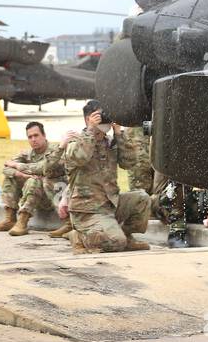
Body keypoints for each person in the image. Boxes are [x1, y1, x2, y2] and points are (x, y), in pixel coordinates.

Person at [62, 101, 151, 253]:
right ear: (87, 119)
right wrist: (90, 129)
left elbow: (130, 162)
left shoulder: (110, 142)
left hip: (110, 204)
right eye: (99, 116)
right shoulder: (74, 142)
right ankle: (78, 236)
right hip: (88, 211)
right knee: (115, 242)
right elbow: (81, 157)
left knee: (142, 198)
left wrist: (119, 133)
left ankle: (126, 236)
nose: (104, 120)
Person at [0, 120, 68, 237]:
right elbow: (6, 168)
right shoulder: (27, 154)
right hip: (34, 198)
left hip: (54, 197)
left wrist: (20, 167)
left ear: (44, 135)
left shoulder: (56, 150)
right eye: (30, 137)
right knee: (11, 177)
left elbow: (44, 168)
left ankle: (22, 221)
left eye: (36, 135)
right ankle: (10, 218)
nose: (33, 139)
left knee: (35, 180)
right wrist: (22, 175)